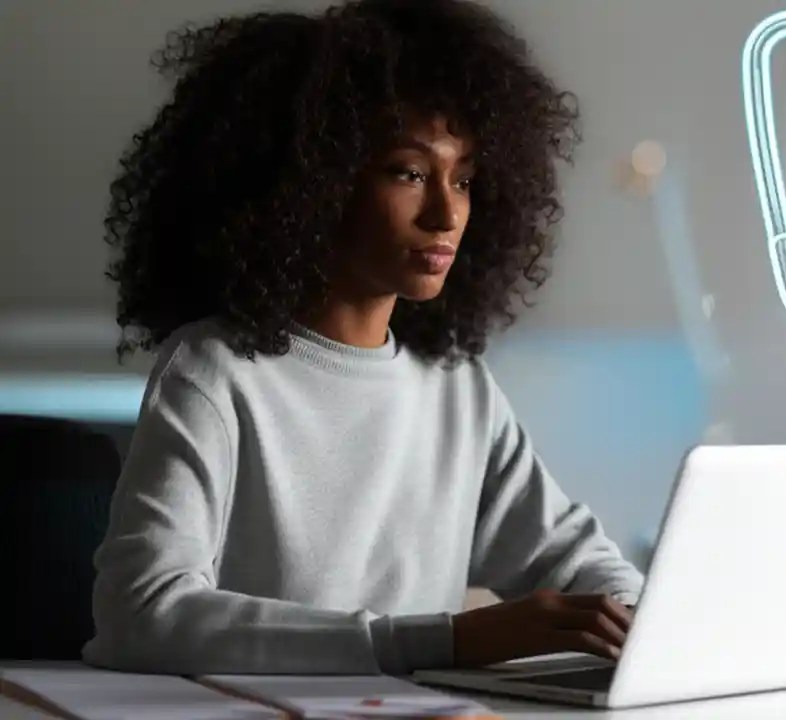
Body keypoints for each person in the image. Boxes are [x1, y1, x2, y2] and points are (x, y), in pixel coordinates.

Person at [82, 0, 643, 676]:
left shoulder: (455, 384)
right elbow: (141, 613)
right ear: (312, 179)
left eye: (463, 179)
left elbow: (573, 558)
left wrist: (641, 619)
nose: (446, 213)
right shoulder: (214, 372)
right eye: (409, 172)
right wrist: (447, 642)